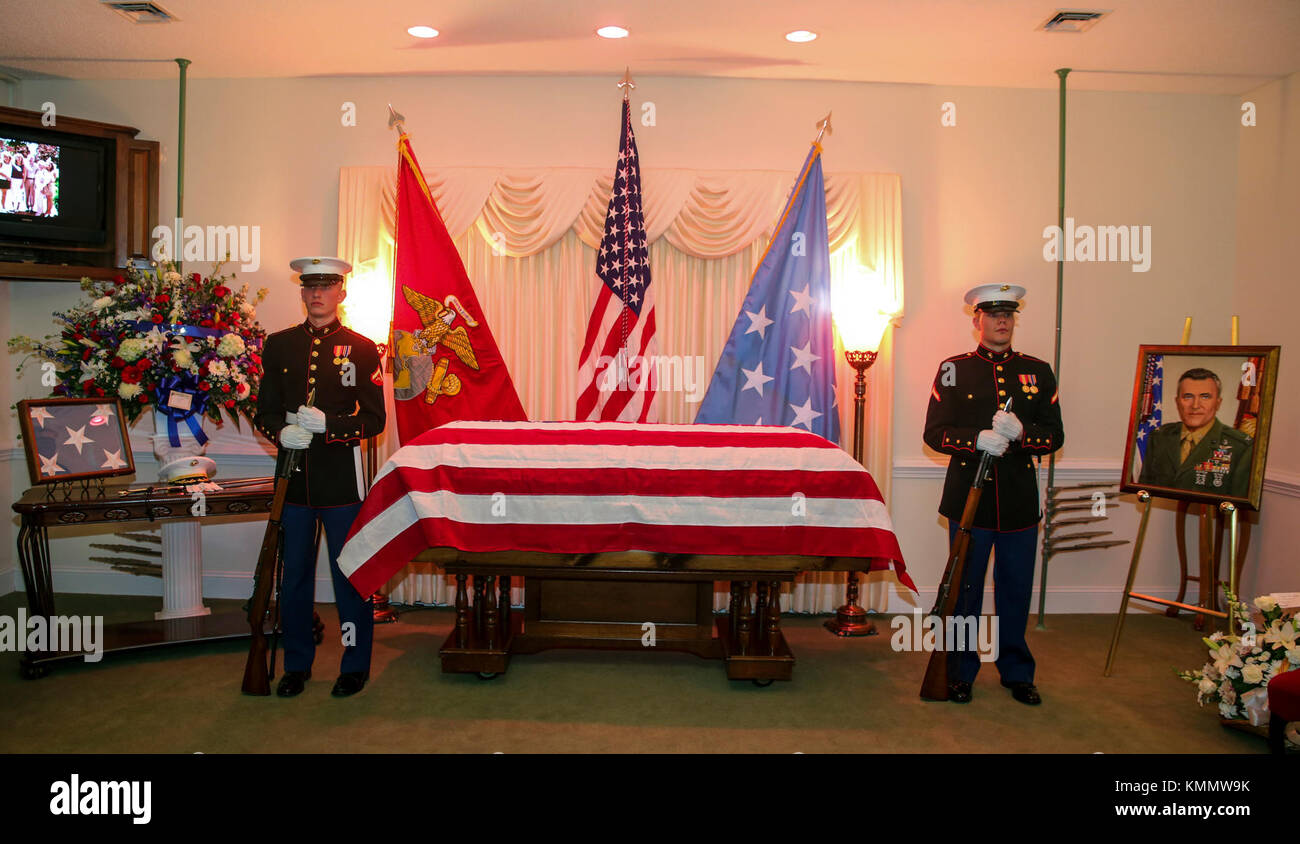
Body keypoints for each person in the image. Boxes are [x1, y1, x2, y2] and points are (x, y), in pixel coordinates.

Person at [923, 283, 1064, 706]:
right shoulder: (953, 368)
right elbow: (933, 432)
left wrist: (1023, 435)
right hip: (968, 500)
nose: (1002, 321)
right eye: (993, 314)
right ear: (976, 321)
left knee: (1015, 588)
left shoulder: (1038, 371)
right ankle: (961, 671)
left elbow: (1054, 435)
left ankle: (1016, 671)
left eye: (1008, 315)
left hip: (1018, 500)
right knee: (965, 589)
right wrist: (974, 439)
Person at [254, 256, 386, 698]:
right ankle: (296, 663)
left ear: (341, 294)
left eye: (326, 286)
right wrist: (281, 432)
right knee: (293, 577)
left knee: (348, 575)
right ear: (303, 293)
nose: (317, 294)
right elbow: (264, 411)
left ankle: (354, 664)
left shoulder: (364, 348)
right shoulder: (278, 345)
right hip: (293, 479)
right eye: (310, 287)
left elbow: (375, 419)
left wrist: (330, 426)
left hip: (340, 482)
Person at [1138, 368, 1253, 499]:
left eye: (1205, 397)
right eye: (1188, 396)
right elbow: (1145, 492)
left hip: (1209, 518)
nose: (1195, 405)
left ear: (1218, 403)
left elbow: (1238, 505)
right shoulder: (1159, 437)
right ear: (1177, 402)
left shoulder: (1241, 447)